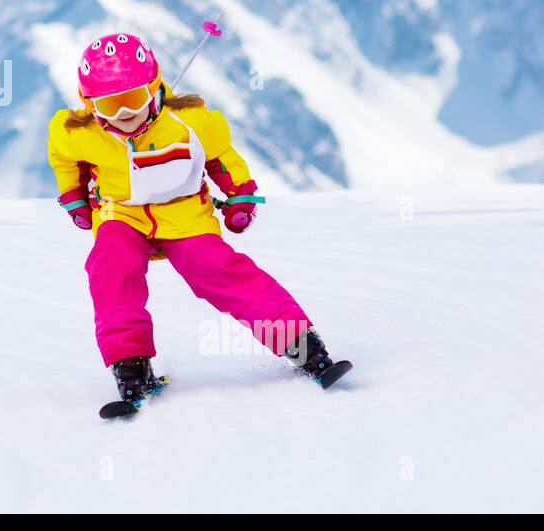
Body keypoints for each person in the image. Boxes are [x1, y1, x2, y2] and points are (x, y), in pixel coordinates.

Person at [47, 32, 352, 407]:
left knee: (218, 270)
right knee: (111, 266)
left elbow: (222, 158)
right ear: (89, 104)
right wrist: (75, 199)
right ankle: (130, 367)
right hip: (121, 213)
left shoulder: (190, 123)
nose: (124, 113)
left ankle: (303, 346)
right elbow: (65, 161)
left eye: (132, 99)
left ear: (154, 87)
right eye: (109, 105)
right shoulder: (77, 133)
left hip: (185, 213)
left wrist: (240, 195)